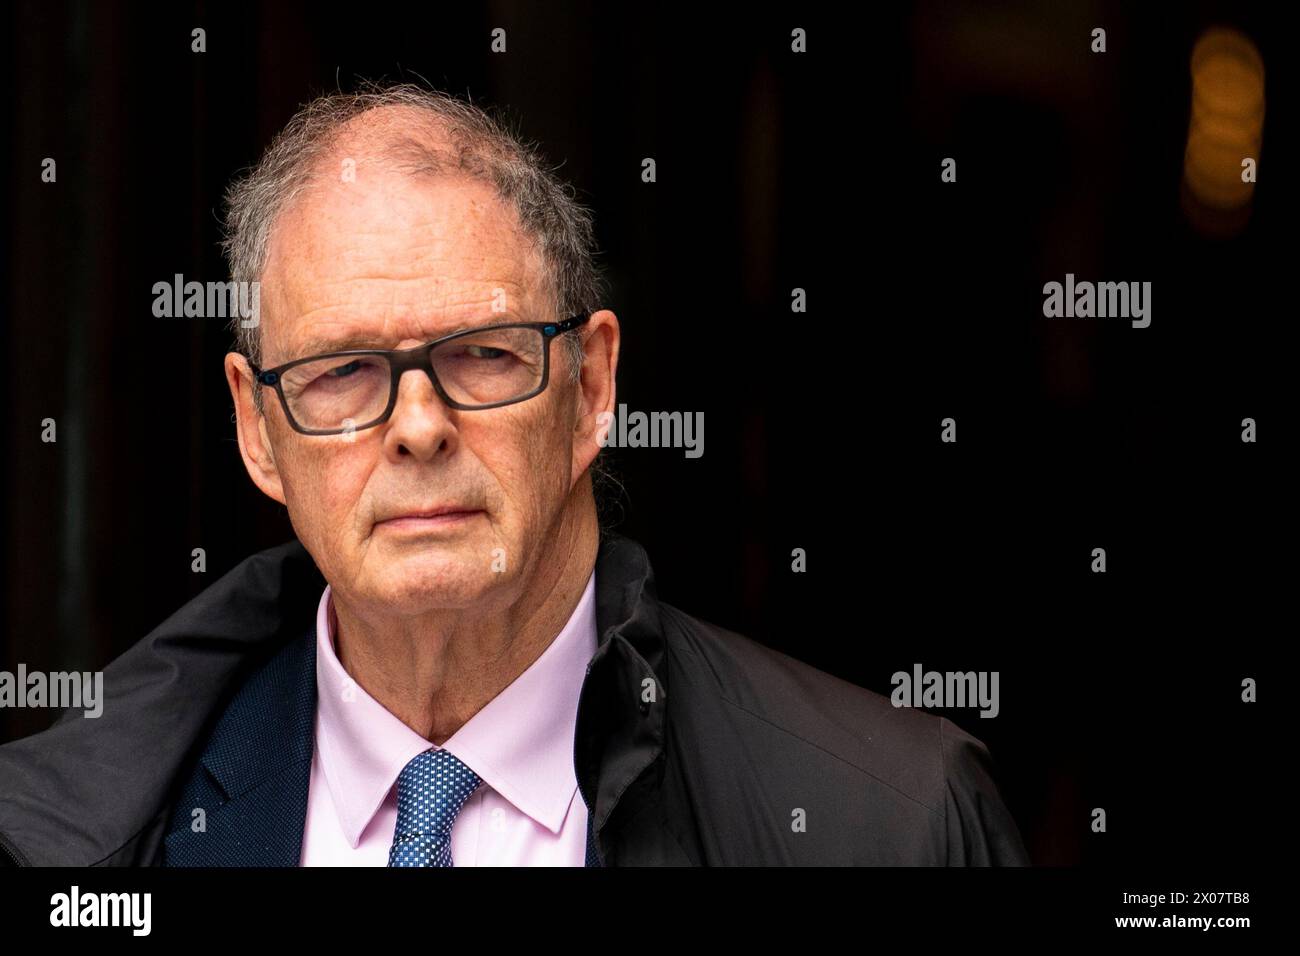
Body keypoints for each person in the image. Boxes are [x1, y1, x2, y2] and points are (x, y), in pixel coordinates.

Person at [0, 84, 1028, 867]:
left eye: (483, 354)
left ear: (591, 387)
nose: (416, 426)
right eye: (342, 371)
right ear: (258, 427)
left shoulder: (888, 819)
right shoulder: (71, 831)